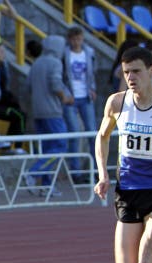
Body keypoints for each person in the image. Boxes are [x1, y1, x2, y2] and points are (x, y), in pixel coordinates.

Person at [94, 46, 152, 263]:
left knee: (148, 261)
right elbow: (102, 136)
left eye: (136, 71)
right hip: (127, 192)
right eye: (126, 71)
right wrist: (102, 173)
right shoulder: (117, 103)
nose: (130, 77)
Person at [27, 34, 72, 194]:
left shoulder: (36, 62)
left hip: (38, 112)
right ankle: (34, 172)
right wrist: (65, 98)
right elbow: (55, 84)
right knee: (60, 146)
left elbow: (28, 86)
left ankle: (46, 185)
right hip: (52, 111)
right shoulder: (55, 63)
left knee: (47, 149)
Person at [63, 26, 97, 178]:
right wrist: (65, 93)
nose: (77, 42)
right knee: (74, 134)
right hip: (71, 96)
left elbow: (92, 73)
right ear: (69, 40)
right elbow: (61, 75)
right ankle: (75, 172)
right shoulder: (64, 54)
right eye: (74, 39)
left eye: (79, 39)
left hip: (86, 96)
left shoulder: (88, 52)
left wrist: (92, 88)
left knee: (92, 132)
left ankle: (96, 169)